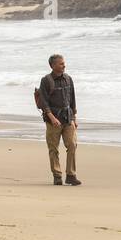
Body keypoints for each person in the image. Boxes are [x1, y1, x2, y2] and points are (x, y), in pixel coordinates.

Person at [39, 54, 81, 186]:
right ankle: (57, 176)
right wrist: (52, 118)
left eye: (64, 63)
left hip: (68, 118)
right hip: (53, 121)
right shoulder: (46, 80)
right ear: (53, 65)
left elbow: (73, 100)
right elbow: (44, 102)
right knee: (53, 148)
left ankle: (70, 175)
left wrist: (74, 118)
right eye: (61, 63)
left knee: (72, 145)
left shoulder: (68, 79)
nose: (64, 65)